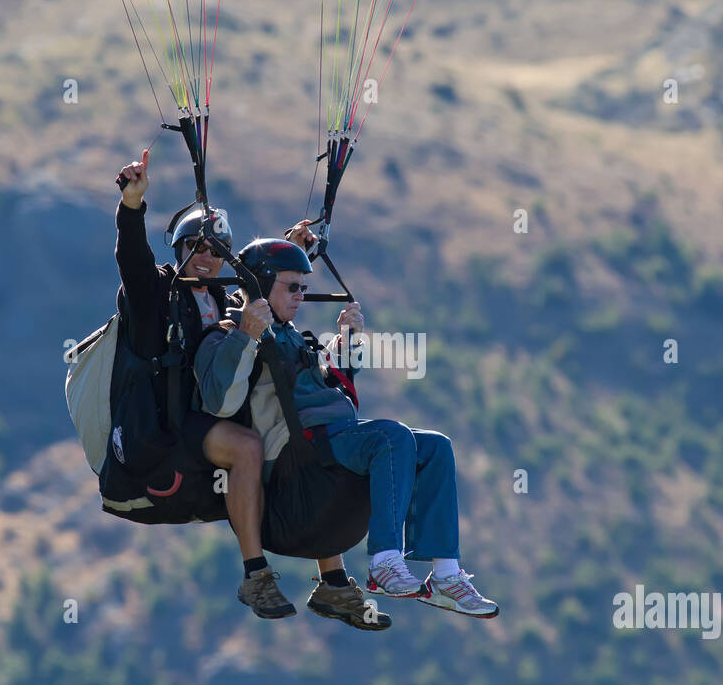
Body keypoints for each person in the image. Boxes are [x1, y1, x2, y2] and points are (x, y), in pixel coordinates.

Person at [195, 234, 499, 619]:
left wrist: (348, 342)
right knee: (392, 437)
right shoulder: (233, 331)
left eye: (304, 288)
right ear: (260, 283)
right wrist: (246, 335)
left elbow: (329, 384)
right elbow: (220, 401)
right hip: (300, 456)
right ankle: (385, 563)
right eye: (292, 287)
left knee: (436, 446)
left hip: (333, 438)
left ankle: (447, 576)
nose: (301, 296)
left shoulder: (289, 334)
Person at [113, 151, 292, 621]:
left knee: (296, 425)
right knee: (248, 447)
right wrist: (132, 207)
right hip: (170, 425)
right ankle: (256, 575)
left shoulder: (221, 296)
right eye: (200, 246)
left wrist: (294, 248)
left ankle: (327, 565)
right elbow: (132, 260)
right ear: (182, 248)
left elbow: (266, 284)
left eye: (219, 249)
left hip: (209, 411)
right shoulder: (157, 295)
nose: (210, 257)